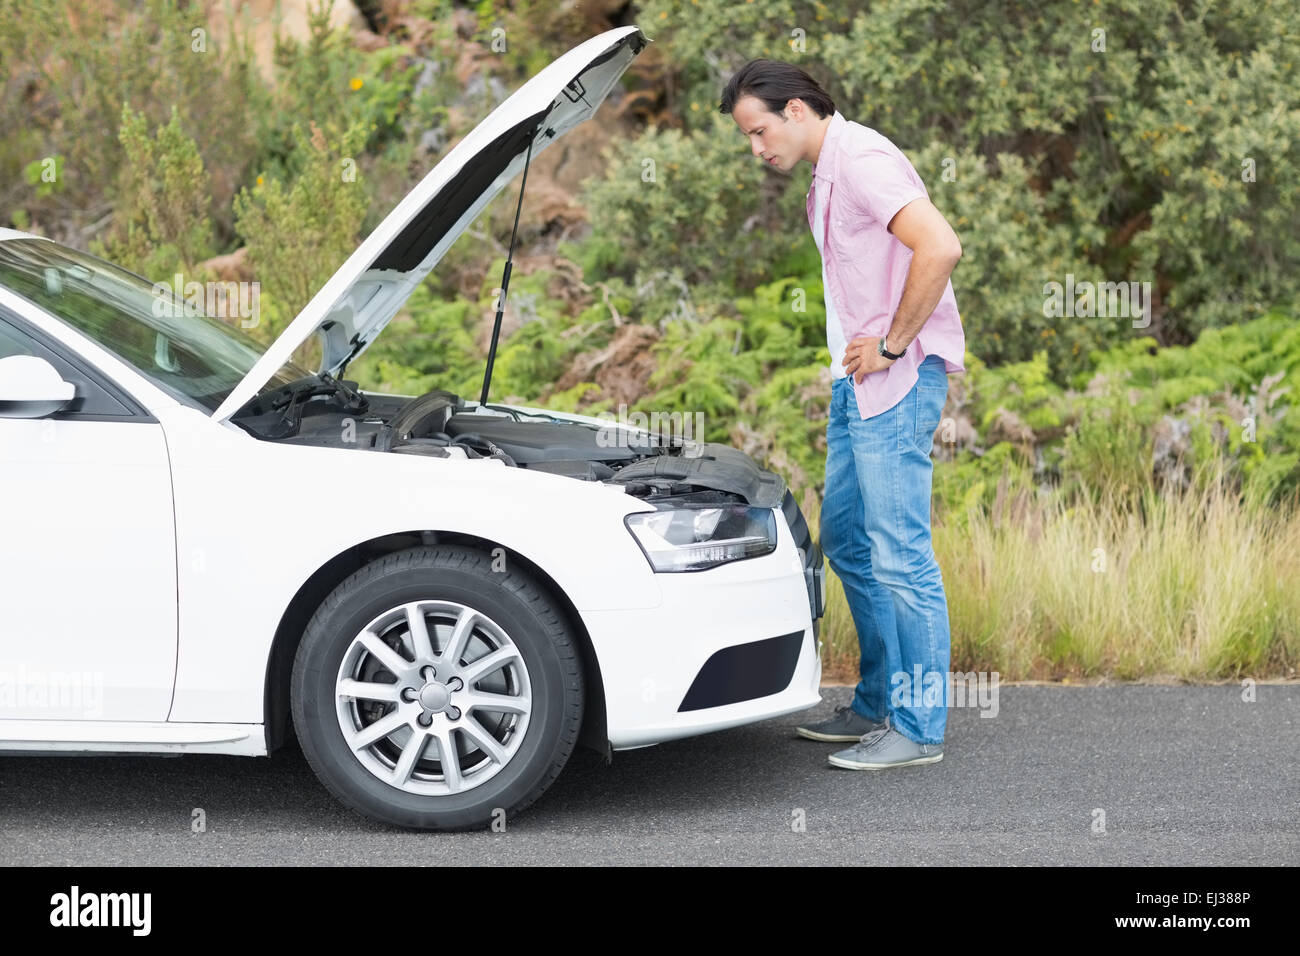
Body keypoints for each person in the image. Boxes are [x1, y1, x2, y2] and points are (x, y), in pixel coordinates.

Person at [720, 60, 966, 769]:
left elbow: (940, 245)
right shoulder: (827, 174)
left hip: (896, 381)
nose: (756, 148)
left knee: (900, 554)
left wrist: (892, 343)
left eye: (759, 130)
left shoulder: (862, 159)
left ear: (796, 110)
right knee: (850, 544)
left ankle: (918, 730)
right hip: (854, 386)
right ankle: (880, 703)